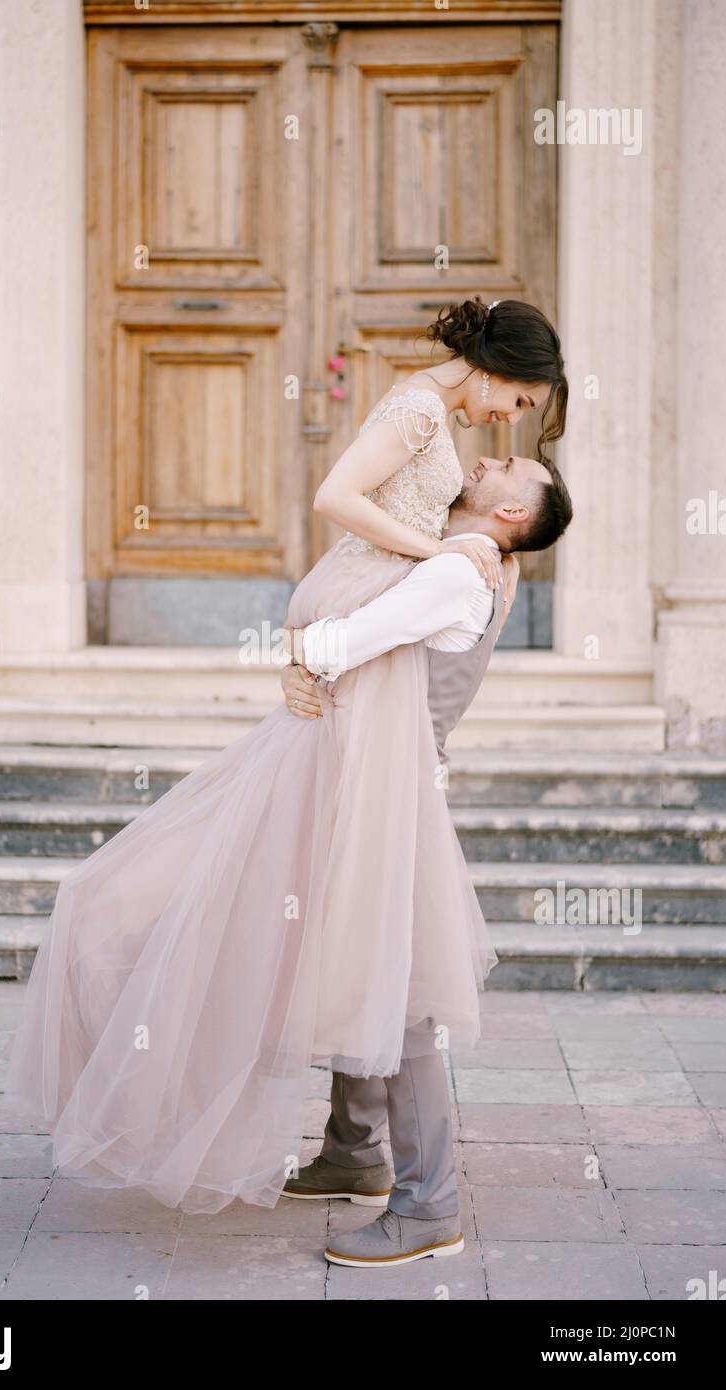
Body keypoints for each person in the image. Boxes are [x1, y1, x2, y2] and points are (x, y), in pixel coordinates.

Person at [3, 297, 569, 1222]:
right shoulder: (431, 438)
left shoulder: (469, 555)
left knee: (369, 946)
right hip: (345, 737)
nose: (507, 425)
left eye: (516, 433)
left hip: (361, 745)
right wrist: (417, 574)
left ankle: (415, 1193)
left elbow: (369, 626)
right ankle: (355, 1154)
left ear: (508, 514)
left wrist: (324, 644)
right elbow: (338, 503)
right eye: (516, 404)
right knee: (352, 938)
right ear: (497, 367)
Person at [277, 454, 573, 1267]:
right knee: (356, 962)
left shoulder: (460, 570)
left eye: (510, 466)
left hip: (390, 794)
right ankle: (353, 1149)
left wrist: (295, 648)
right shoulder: (461, 559)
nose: (487, 457)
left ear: (514, 513)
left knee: (401, 995)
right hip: (367, 780)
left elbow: (344, 642)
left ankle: (426, 1205)